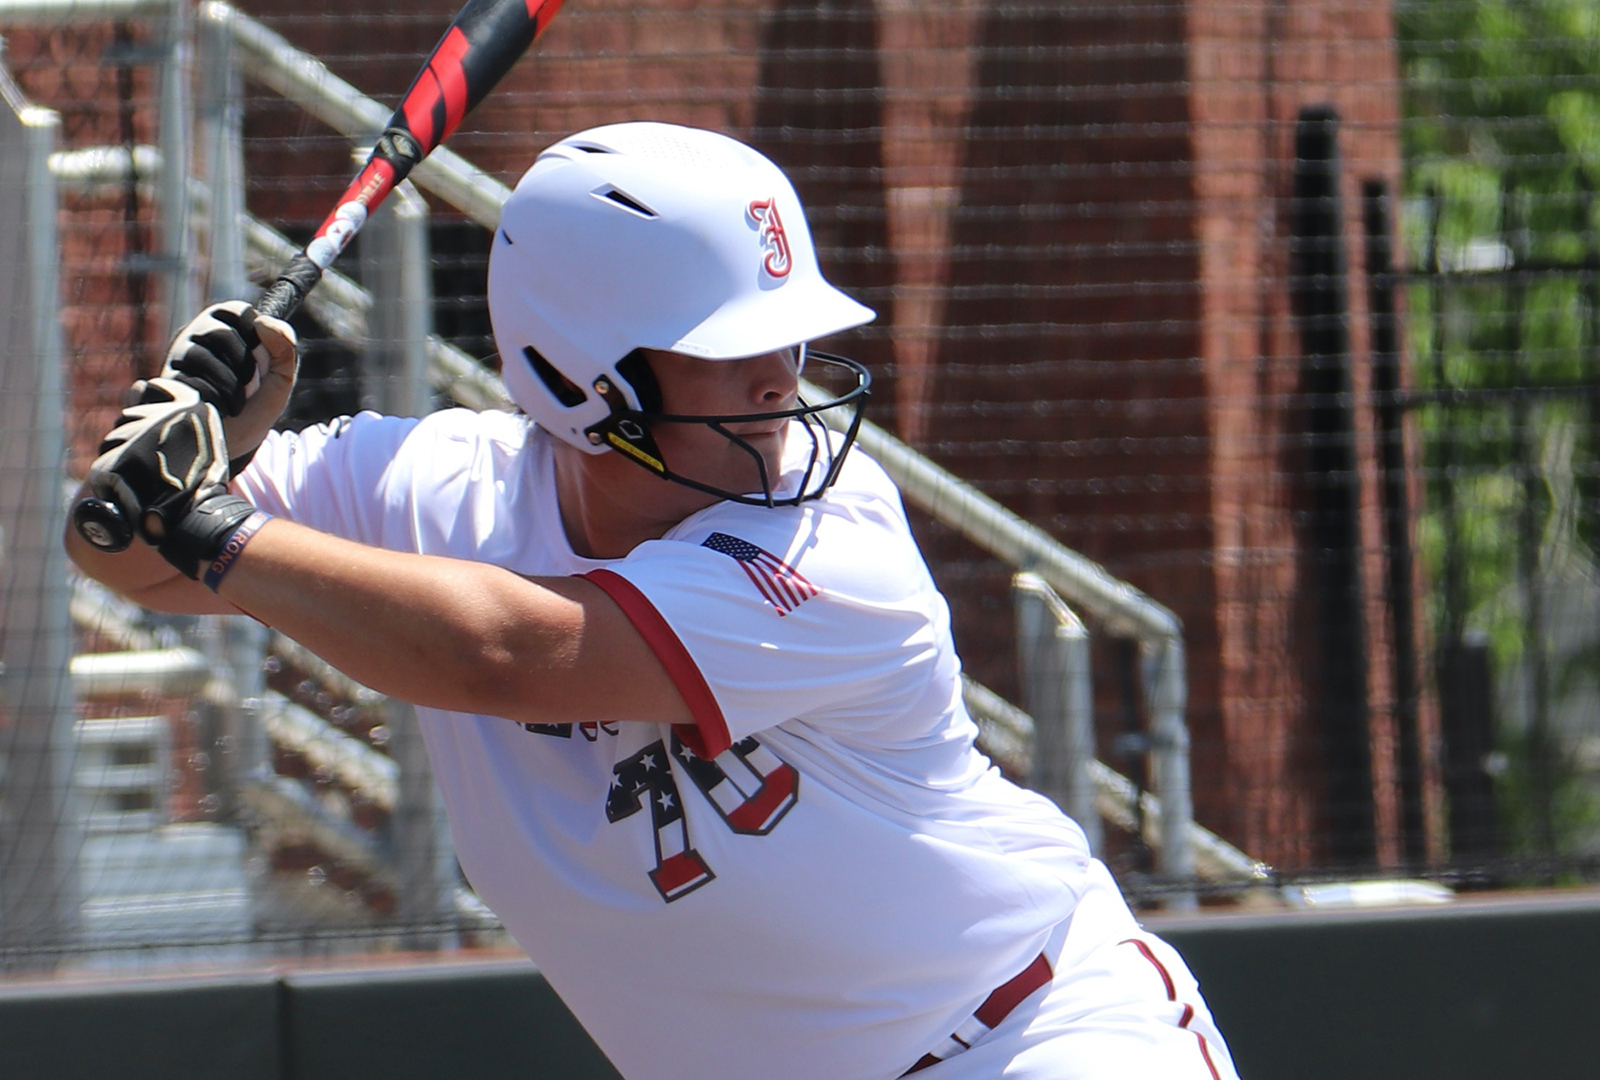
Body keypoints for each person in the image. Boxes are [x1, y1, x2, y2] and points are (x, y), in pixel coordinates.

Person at [67, 121, 1238, 1080]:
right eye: (733, 348)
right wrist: (185, 456)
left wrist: (207, 515)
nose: (781, 381)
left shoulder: (834, 539)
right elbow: (124, 559)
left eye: (790, 339)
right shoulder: (428, 482)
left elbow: (503, 655)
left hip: (1031, 1036)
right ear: (584, 373)